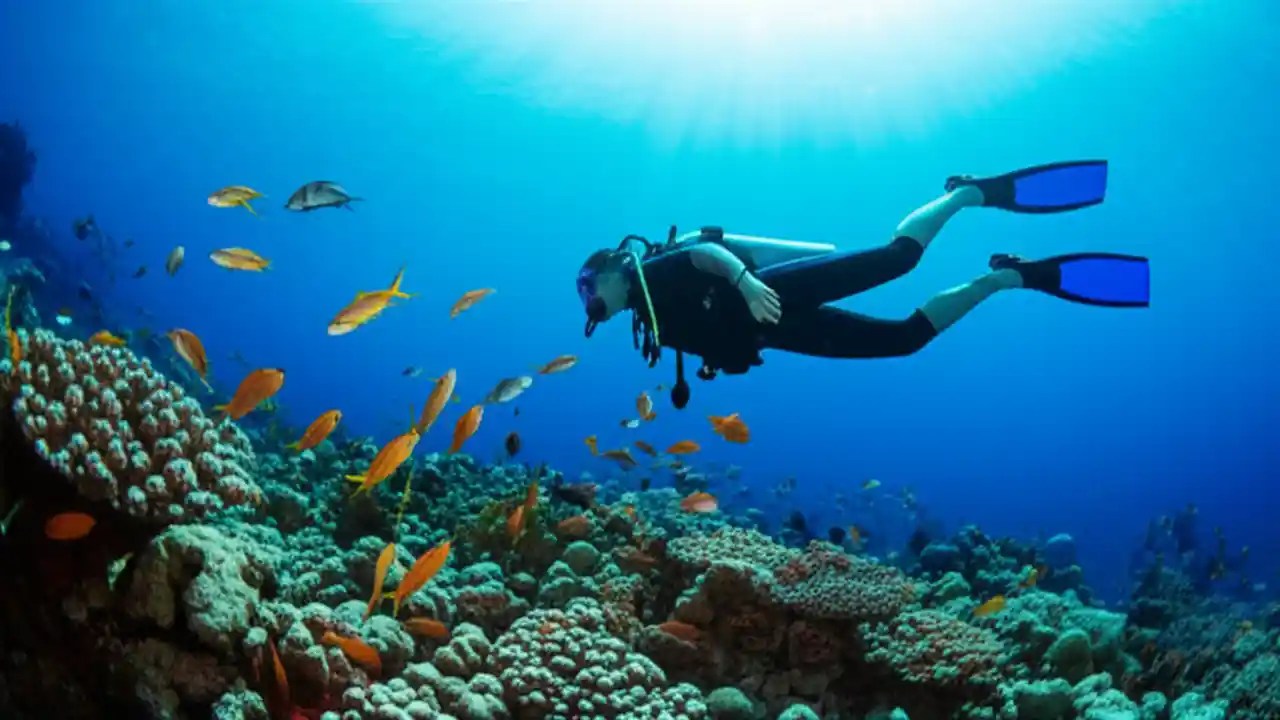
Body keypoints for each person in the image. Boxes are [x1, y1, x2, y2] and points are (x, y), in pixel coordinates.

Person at [575, 161, 1149, 409]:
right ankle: (1006, 277)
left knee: (897, 259)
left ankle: (967, 192)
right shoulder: (648, 322)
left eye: (587, 286)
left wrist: (747, 282)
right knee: (903, 340)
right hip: (774, 330)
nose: (589, 301)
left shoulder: (649, 272)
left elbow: (705, 253)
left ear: (609, 269)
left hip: (770, 292)